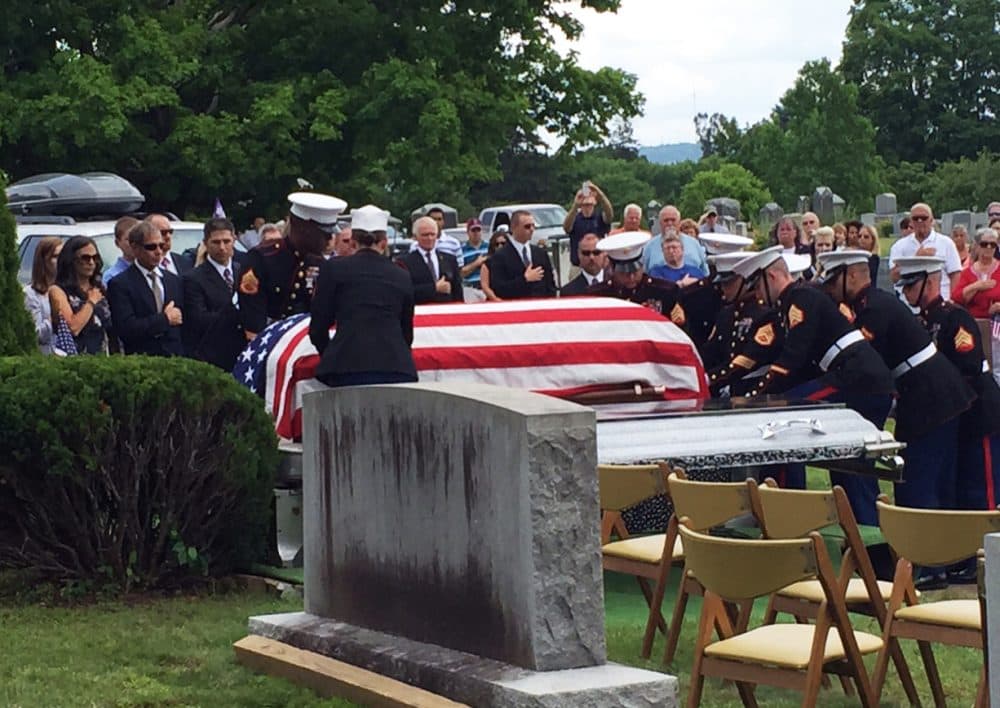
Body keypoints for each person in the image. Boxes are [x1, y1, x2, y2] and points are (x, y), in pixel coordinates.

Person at [816, 250, 974, 545]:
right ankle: (942, 556)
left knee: (921, 484)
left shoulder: (873, 309)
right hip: (930, 393)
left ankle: (929, 561)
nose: (829, 288)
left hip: (930, 395)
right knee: (930, 482)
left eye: (833, 280)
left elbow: (863, 364)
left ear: (851, 276)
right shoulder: (872, 305)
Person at [735, 246, 895, 510]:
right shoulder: (797, 300)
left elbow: (792, 359)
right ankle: (864, 535)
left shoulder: (799, 298)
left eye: (759, 286)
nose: (759, 296)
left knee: (784, 415)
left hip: (857, 379)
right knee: (851, 469)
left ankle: (787, 506)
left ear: (772, 277)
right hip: (862, 380)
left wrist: (756, 397)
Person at [898, 257, 1000, 566]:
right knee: (958, 488)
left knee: (982, 490)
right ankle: (963, 558)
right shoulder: (923, 322)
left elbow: (967, 364)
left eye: (912, 286)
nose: (906, 293)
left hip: (979, 408)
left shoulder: (956, 317)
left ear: (930, 282)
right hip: (953, 413)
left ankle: (989, 558)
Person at [309, 204, 417, 387]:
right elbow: (406, 332)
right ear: (384, 243)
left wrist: (331, 354)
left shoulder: (333, 270)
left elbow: (318, 328)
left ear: (352, 243)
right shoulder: (402, 275)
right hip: (395, 367)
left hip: (344, 366)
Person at [239, 191, 346, 338]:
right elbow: (252, 323)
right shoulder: (261, 259)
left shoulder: (319, 264)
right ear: (301, 228)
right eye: (323, 233)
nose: (329, 239)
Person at [701, 251, 781, 397]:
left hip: (756, 390)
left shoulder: (765, 313)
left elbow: (748, 359)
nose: (723, 288)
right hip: (726, 387)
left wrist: (708, 379)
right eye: (722, 283)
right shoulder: (726, 314)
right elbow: (710, 351)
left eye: (728, 283)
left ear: (745, 281)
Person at [107, 221, 184, 356]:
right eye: (151, 247)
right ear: (135, 248)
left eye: (161, 246)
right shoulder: (120, 284)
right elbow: (126, 328)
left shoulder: (173, 280)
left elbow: (183, 325)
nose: (158, 251)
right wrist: (164, 319)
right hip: (142, 360)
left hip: (174, 359)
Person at [182, 218, 246, 371]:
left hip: (245, 353)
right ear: (205, 243)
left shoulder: (244, 271)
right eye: (216, 242)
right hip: (214, 356)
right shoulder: (193, 279)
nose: (222, 247)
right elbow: (199, 319)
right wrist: (237, 314)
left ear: (234, 240)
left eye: (227, 241)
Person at [590, 232, 684, 324]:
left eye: (635, 270)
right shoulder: (598, 295)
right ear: (612, 268)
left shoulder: (664, 291)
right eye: (624, 272)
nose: (631, 277)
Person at [49, 236, 112, 355]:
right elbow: (73, 328)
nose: (91, 262)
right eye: (85, 258)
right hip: (74, 357)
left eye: (95, 258)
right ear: (71, 260)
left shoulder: (99, 289)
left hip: (102, 357)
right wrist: (91, 302)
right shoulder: (58, 291)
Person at [888, 202, 962, 300]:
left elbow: (955, 274)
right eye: (916, 218)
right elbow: (894, 277)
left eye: (924, 218)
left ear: (931, 220)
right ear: (911, 222)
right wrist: (916, 259)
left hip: (939, 302)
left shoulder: (946, 243)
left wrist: (951, 299)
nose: (920, 221)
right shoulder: (899, 246)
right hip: (909, 305)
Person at [488, 210, 557, 299]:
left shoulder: (540, 253)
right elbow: (499, 289)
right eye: (527, 226)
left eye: (533, 226)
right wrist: (524, 280)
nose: (532, 229)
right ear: (513, 228)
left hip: (540, 306)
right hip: (516, 306)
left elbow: (550, 285)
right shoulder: (500, 256)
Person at [398, 216, 463, 303]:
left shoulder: (449, 260)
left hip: (446, 311)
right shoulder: (405, 262)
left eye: (432, 234)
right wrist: (434, 288)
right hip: (420, 311)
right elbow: (405, 292)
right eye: (425, 235)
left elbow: (457, 291)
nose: (430, 238)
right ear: (415, 237)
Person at [23, 236, 62, 355]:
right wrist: (51, 320)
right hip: (48, 358)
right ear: (43, 260)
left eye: (63, 256)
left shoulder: (67, 289)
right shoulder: (31, 294)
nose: (61, 260)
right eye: (56, 256)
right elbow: (35, 334)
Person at [642, 205, 708, 276]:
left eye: (673, 220)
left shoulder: (694, 243)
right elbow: (644, 273)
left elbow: (705, 272)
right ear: (660, 223)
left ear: (679, 222)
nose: (670, 223)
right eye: (666, 220)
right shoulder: (650, 246)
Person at [562, 181, 613, 271]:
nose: (587, 206)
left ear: (595, 202)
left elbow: (609, 215)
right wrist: (575, 205)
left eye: (590, 204)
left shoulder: (600, 217)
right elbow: (566, 228)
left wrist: (599, 193)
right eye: (585, 205)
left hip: (599, 266)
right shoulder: (575, 218)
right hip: (578, 267)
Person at [953, 227, 1000, 318]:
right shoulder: (967, 272)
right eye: (984, 244)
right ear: (977, 245)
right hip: (973, 322)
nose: (989, 247)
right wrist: (976, 286)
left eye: (992, 245)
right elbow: (956, 297)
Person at [103, 216, 139, 285]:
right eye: (128, 240)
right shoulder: (112, 276)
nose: (134, 243)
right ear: (117, 243)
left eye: (137, 238)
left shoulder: (151, 270)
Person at [478, 230, 509, 301]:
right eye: (497, 244)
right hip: (493, 301)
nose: (500, 246)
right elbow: (485, 286)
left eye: (503, 243)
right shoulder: (487, 264)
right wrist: (495, 299)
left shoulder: (513, 261)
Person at [460, 218, 489, 288]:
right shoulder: (461, 249)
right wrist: (476, 263)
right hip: (470, 287)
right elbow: (460, 274)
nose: (476, 233)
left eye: (478, 230)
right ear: (468, 232)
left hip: (488, 287)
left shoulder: (489, 246)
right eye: (473, 230)